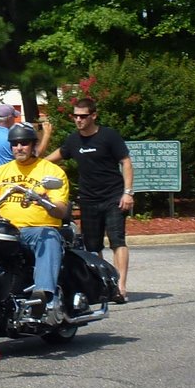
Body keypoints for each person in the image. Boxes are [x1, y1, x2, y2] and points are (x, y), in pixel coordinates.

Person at [46, 96, 131, 302]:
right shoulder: (73, 140)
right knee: (93, 246)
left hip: (113, 197)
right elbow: (48, 161)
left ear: (93, 115)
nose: (78, 120)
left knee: (117, 240)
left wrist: (128, 192)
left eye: (83, 116)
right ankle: (103, 284)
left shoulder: (109, 136)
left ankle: (120, 287)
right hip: (88, 199)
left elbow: (126, 162)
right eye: (75, 116)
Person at [0, 123, 70, 319]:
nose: (19, 147)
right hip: (6, 231)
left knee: (47, 235)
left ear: (33, 145)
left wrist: (44, 201)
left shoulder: (51, 172)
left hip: (36, 231)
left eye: (24, 143)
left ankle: (43, 295)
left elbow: (61, 210)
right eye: (14, 143)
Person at [0, 103, 51, 170]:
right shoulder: (12, 138)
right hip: (5, 180)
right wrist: (46, 134)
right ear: (9, 118)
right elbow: (36, 157)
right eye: (14, 117)